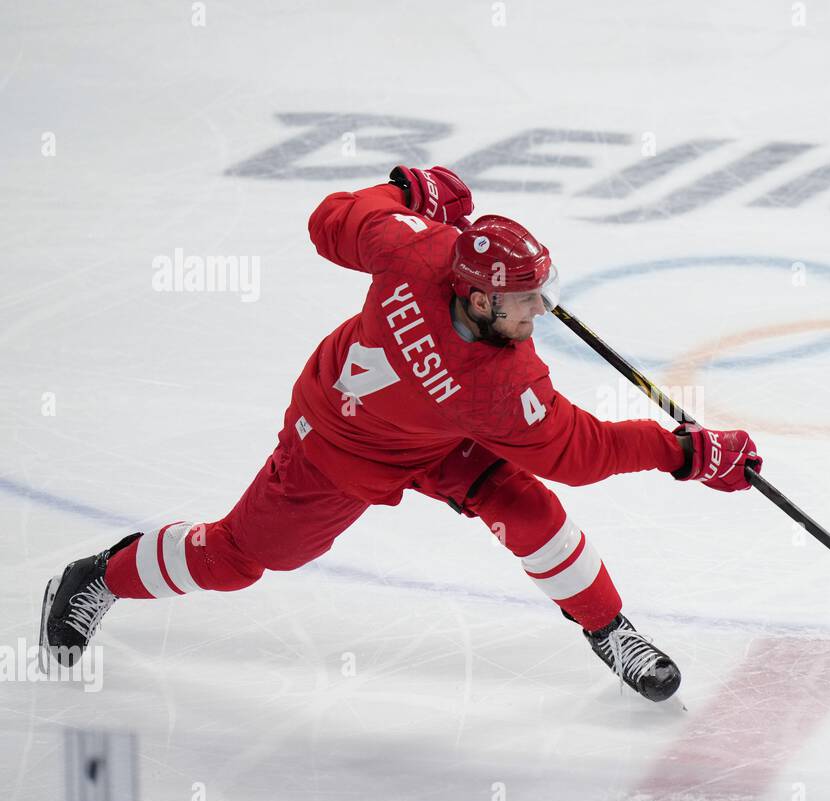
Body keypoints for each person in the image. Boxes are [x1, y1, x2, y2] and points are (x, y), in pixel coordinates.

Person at [38, 164, 762, 702]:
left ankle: (610, 630)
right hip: (338, 448)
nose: (538, 308)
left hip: (435, 436)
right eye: (522, 300)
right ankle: (96, 577)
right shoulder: (499, 387)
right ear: (478, 298)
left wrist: (408, 193)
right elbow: (580, 453)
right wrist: (689, 453)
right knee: (239, 558)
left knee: (528, 509)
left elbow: (331, 218)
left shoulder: (421, 250)